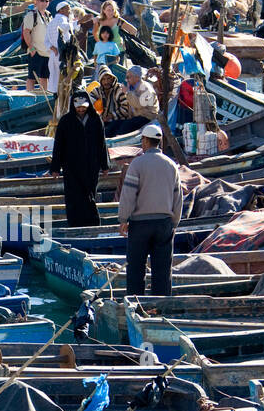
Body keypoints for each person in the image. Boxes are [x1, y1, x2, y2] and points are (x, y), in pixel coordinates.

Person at [118, 121, 183, 296]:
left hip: (140, 225)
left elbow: (128, 195)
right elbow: (178, 198)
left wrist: (123, 219)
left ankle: (135, 305)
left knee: (136, 270)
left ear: (145, 141)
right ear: (159, 143)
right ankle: (161, 308)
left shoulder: (137, 165)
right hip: (164, 224)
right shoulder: (171, 165)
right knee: (162, 271)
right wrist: (174, 222)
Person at [49, 89, 110, 227]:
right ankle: (74, 225)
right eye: (78, 107)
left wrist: (105, 165)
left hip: (91, 166)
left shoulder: (95, 120)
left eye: (83, 107)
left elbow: (102, 144)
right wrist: (55, 168)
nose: (81, 110)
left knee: (89, 196)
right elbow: (58, 146)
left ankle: (93, 224)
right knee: (73, 197)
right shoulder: (65, 121)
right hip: (71, 167)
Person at [97, 69, 145, 137]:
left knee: (112, 129)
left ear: (112, 79)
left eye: (108, 79)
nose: (106, 82)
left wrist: (111, 115)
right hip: (103, 121)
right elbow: (91, 102)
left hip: (119, 121)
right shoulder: (97, 90)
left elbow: (125, 109)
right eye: (103, 79)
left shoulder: (119, 89)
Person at [44, 0, 76, 94]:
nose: (70, 11)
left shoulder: (51, 22)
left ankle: (56, 97)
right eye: (68, 9)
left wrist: (52, 48)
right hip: (63, 54)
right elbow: (65, 27)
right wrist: (77, 22)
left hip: (54, 54)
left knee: (53, 78)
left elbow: (46, 41)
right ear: (61, 10)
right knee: (63, 76)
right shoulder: (62, 19)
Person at [21, 0, 51, 91]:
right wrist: (32, 48)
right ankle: (30, 96)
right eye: (42, 0)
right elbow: (26, 32)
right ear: (36, 2)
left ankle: (44, 96)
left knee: (44, 77)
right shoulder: (31, 15)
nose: (44, 3)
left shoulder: (49, 15)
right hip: (36, 51)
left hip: (46, 52)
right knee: (32, 78)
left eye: (46, 1)